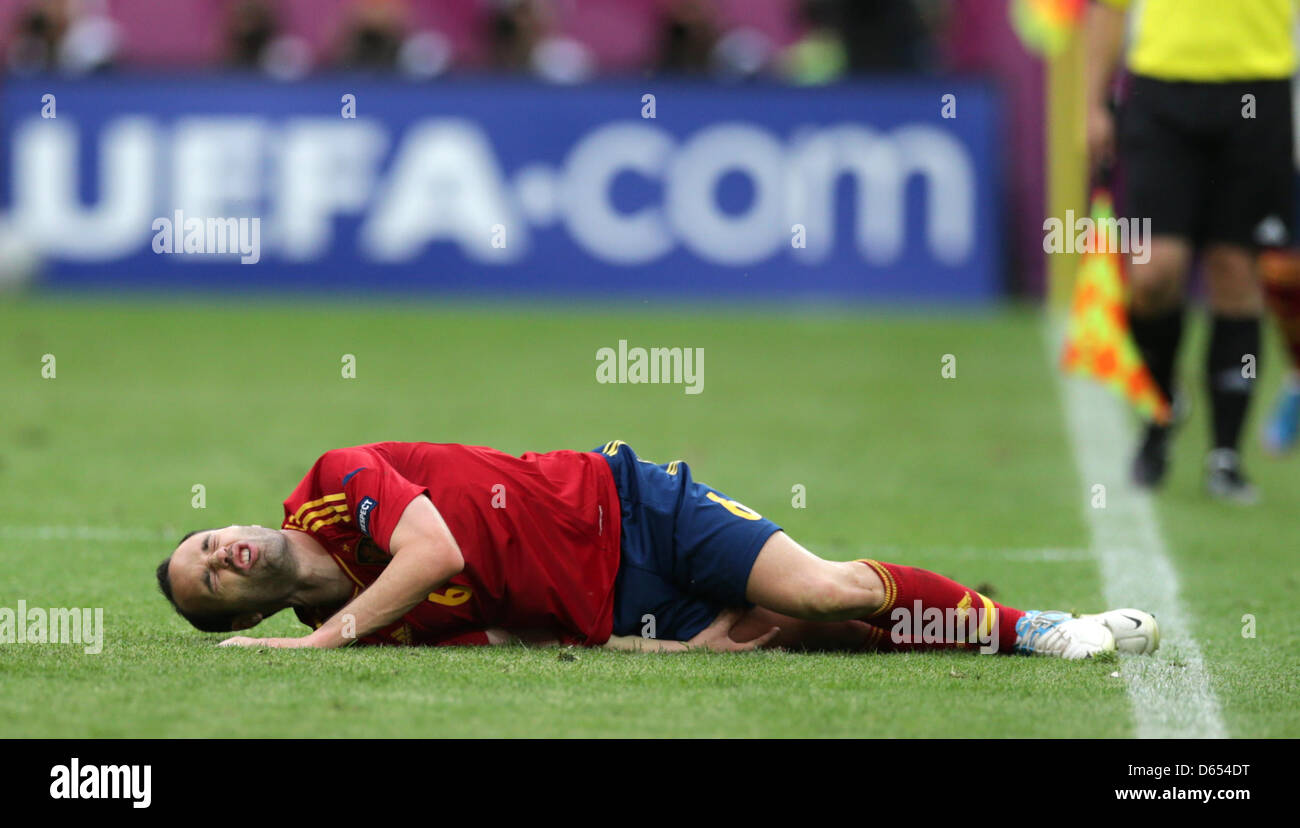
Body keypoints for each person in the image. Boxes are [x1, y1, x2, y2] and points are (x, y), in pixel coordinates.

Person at [156, 440, 1157, 659]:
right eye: (211, 581)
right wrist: (671, 655)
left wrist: (317, 646)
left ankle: (1043, 628)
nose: (222, 555)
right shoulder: (373, 631)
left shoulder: (337, 482)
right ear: (240, 612)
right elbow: (507, 643)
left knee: (820, 589)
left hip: (632, 508)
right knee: (806, 639)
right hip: (618, 606)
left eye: (207, 542)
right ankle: (996, 629)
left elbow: (437, 550)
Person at [1085, 0, 1298, 502]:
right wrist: (1094, 104)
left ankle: (1226, 455)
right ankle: (1163, 403)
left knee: (1234, 270)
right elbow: (1109, 10)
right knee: (1154, 273)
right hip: (1162, 92)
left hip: (1258, 90)